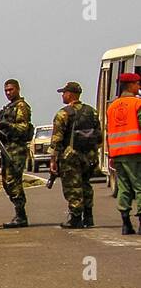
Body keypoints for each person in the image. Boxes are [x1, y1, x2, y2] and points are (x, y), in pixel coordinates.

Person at [49, 81, 100, 229]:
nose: (62, 96)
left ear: (70, 94)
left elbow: (57, 140)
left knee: (73, 187)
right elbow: (99, 136)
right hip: (89, 155)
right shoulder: (92, 112)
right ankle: (88, 217)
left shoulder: (63, 113)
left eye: (64, 93)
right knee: (86, 185)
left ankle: (75, 217)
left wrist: (53, 160)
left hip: (71, 157)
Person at [0, 78, 34, 228]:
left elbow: (23, 128)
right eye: (6, 91)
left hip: (16, 148)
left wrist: (7, 125)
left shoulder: (21, 106)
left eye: (11, 90)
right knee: (7, 181)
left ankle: (21, 215)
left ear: (18, 89)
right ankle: (19, 214)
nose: (8, 93)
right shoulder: (7, 108)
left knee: (13, 181)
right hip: (7, 147)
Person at [105, 72, 141, 234]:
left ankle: (126, 223)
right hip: (136, 152)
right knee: (139, 187)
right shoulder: (137, 104)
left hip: (118, 153)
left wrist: (111, 154)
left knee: (124, 187)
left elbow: (108, 131)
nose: (139, 86)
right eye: (137, 83)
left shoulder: (112, 106)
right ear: (130, 85)